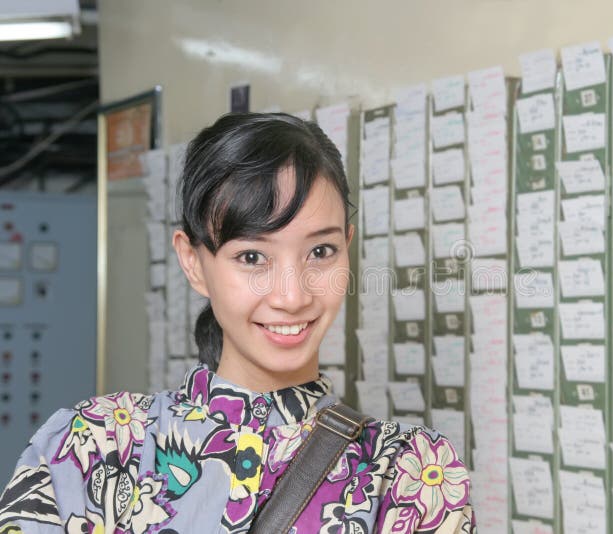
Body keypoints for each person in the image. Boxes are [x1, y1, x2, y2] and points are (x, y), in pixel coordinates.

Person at [0, 113, 475, 533]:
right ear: (193, 262)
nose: (292, 296)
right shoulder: (94, 446)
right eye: (252, 257)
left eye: (321, 251)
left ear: (347, 247)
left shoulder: (408, 474)